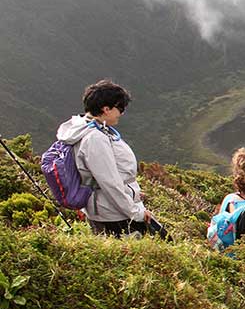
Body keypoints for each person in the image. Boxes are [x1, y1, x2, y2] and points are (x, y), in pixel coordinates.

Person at [56, 79, 166, 238]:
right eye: (120, 108)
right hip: (113, 214)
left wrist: (133, 192)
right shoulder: (94, 138)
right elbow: (109, 183)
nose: (121, 113)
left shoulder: (84, 127)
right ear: (106, 109)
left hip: (106, 208)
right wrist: (136, 213)